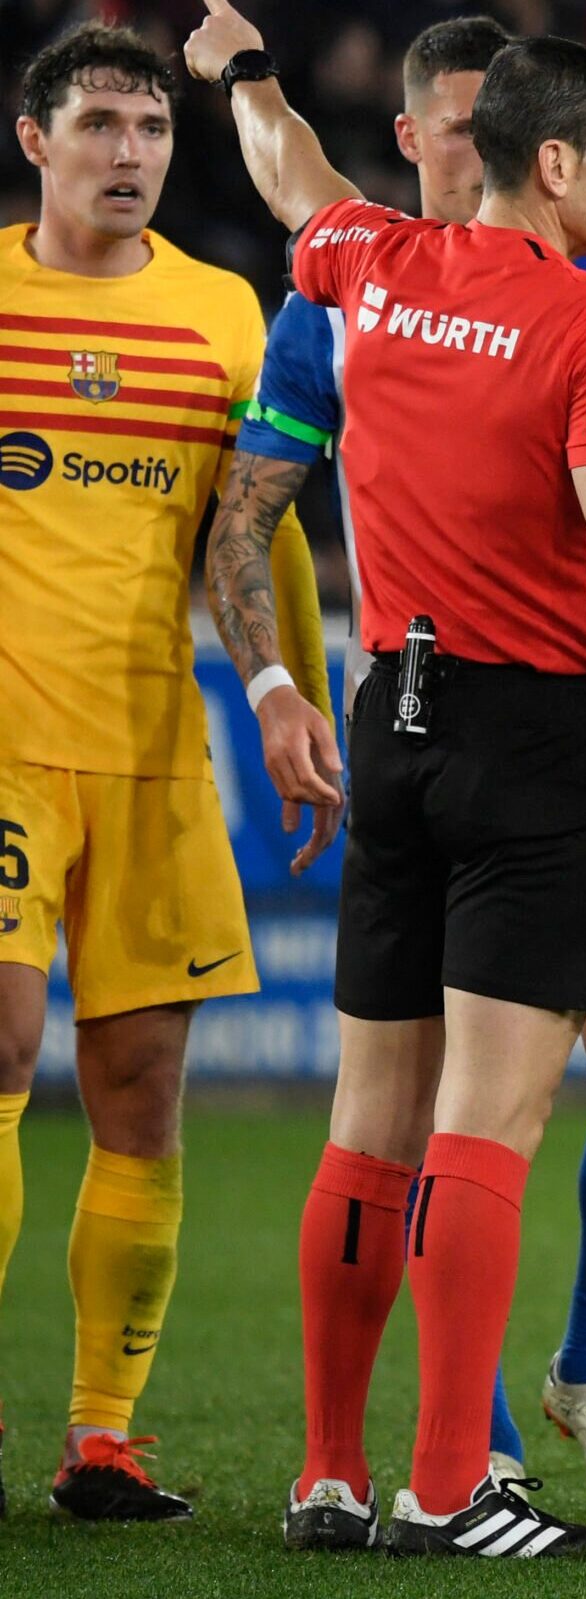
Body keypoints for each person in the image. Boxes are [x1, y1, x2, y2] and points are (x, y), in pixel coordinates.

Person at [184, 3, 586, 1559]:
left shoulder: (371, 268)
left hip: (395, 729)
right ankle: (451, 1485)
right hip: (536, 745)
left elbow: (286, 170)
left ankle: (325, 1472)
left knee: (367, 1122)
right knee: (486, 1128)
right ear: (553, 160)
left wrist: (238, 69)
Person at [0, 21, 332, 1523]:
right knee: (4, 1045)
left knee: (140, 1091)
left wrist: (300, 705)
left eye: (152, 127)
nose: (130, 152)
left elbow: (257, 529)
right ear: (35, 140)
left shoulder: (224, 314)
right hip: (7, 746)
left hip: (152, 753)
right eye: (101, 125)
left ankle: (102, 1437)